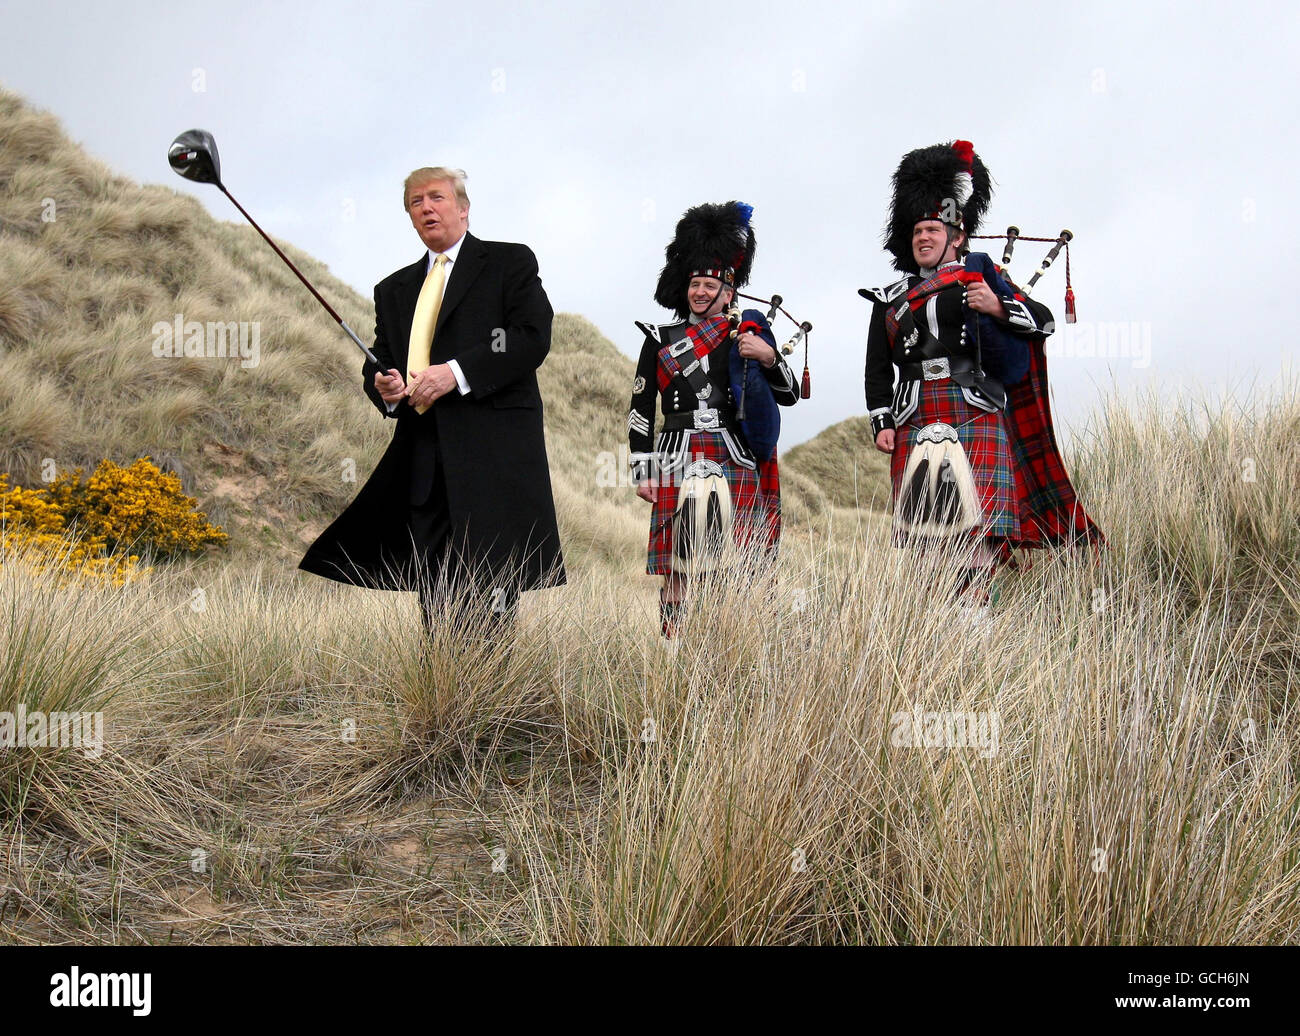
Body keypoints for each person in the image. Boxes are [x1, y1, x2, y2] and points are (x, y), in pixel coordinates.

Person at [300, 166, 565, 633]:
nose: (426, 208)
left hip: (492, 456)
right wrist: (384, 387)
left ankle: (490, 678)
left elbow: (529, 337)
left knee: (490, 584)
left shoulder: (509, 262)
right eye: (415, 202)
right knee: (436, 589)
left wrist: (456, 373)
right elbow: (382, 359)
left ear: (463, 208)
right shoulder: (393, 290)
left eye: (436, 197)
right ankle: (442, 675)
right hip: (425, 457)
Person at [861, 140, 1101, 604]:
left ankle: (975, 620)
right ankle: (933, 622)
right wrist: (881, 420)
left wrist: (997, 306)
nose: (923, 238)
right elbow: (876, 368)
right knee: (926, 535)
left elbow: (1045, 321)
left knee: (976, 529)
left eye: (933, 230)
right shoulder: (888, 297)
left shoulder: (982, 276)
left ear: (957, 236)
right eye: (917, 231)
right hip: (913, 414)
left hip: (972, 407)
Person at [627, 201, 799, 636]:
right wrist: (642, 469)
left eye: (710, 285)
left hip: (732, 453)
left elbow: (789, 395)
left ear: (728, 292)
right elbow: (640, 409)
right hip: (676, 453)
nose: (700, 292)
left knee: (735, 565)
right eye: (695, 284)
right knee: (677, 567)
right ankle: (672, 653)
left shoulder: (745, 334)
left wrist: (769, 356)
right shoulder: (660, 339)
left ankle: (726, 652)